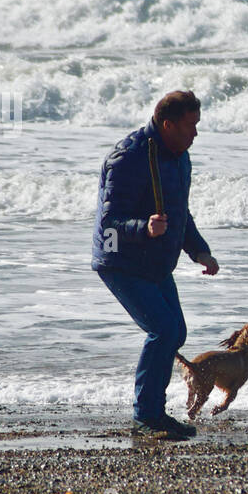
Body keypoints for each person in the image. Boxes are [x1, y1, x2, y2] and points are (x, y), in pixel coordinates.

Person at [92, 90, 219, 439]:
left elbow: (180, 214)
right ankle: (146, 416)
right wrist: (143, 228)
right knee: (163, 330)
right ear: (167, 124)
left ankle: (154, 413)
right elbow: (109, 225)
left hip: (156, 262)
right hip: (120, 260)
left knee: (175, 332)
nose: (195, 133)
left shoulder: (180, 157)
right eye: (190, 126)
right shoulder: (129, 157)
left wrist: (199, 251)